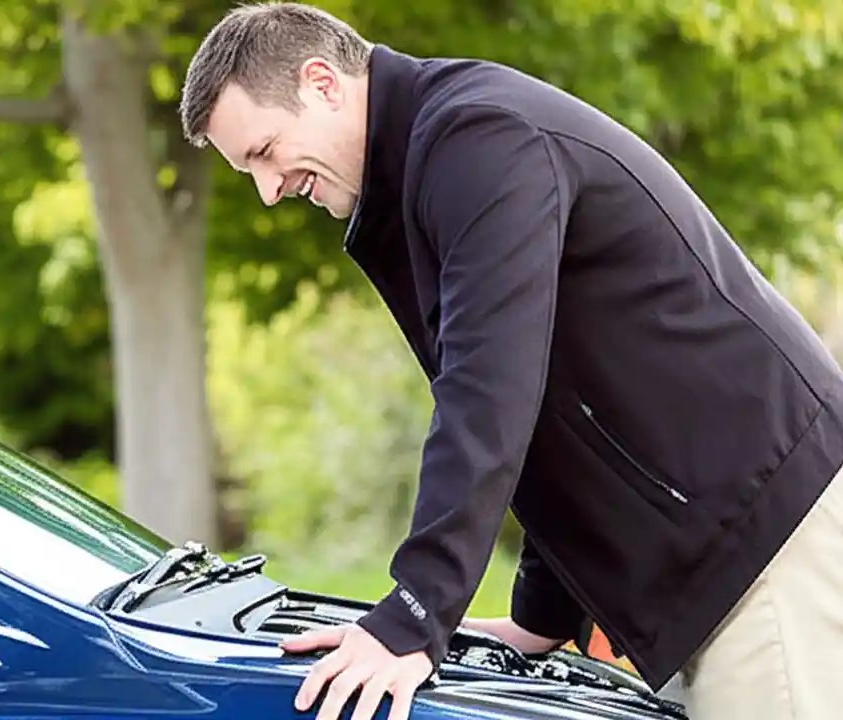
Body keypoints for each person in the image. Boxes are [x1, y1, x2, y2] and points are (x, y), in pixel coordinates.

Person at [178, 3, 843, 720]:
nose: (268, 191)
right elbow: (548, 401)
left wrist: (414, 616)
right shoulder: (436, 158)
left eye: (265, 152)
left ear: (322, 83)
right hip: (730, 550)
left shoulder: (479, 138)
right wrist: (541, 616)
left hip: (766, 541)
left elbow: (487, 391)